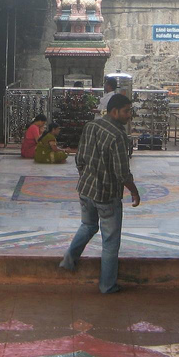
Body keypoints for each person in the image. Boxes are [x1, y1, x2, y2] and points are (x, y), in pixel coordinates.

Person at [59, 93, 141, 293]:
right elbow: (122, 173)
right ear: (115, 112)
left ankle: (68, 261)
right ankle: (107, 285)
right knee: (110, 241)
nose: (130, 115)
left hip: (86, 189)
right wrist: (134, 191)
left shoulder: (91, 126)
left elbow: (80, 158)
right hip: (107, 195)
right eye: (126, 111)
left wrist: (86, 177)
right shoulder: (118, 136)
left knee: (87, 225)